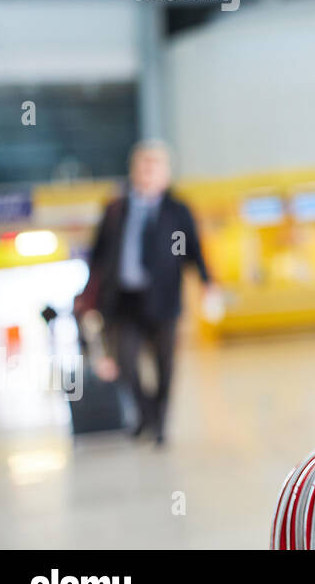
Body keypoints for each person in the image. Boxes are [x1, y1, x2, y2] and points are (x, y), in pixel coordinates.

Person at [86, 139, 217, 446]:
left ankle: (159, 424)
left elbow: (194, 251)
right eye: (143, 165)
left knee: (165, 366)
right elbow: (98, 255)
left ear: (166, 173)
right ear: (133, 170)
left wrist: (207, 281)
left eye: (155, 165)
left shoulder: (178, 210)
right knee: (126, 365)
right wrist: (89, 296)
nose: (148, 171)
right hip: (123, 301)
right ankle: (147, 414)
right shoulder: (116, 208)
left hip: (164, 299)